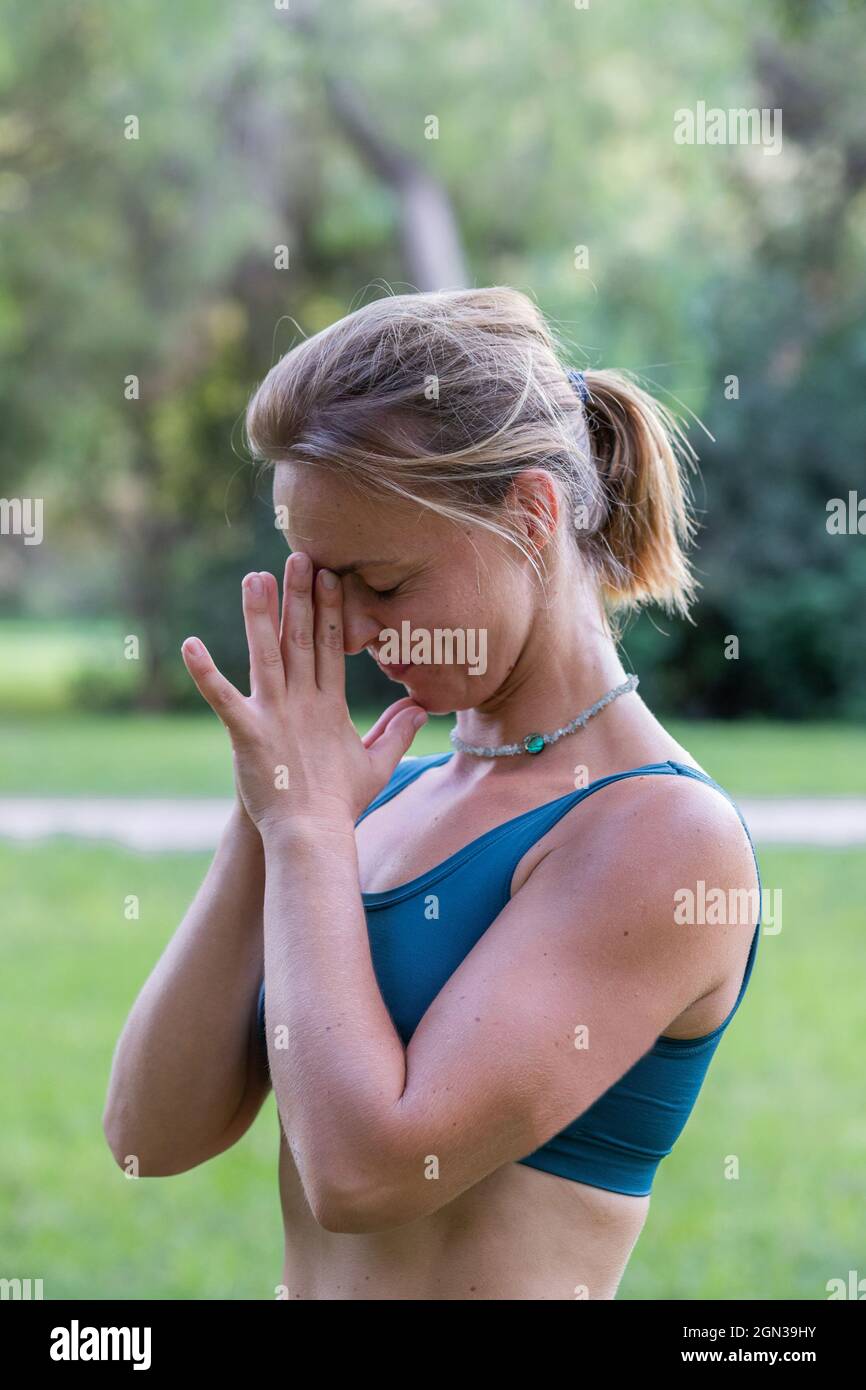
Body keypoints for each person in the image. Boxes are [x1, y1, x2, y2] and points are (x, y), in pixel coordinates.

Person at [103, 286, 761, 1301]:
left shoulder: (662, 837)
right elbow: (150, 1135)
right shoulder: (367, 800)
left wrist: (310, 828)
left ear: (531, 514)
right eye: (325, 586)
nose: (353, 631)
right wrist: (266, 812)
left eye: (385, 582)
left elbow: (369, 1169)